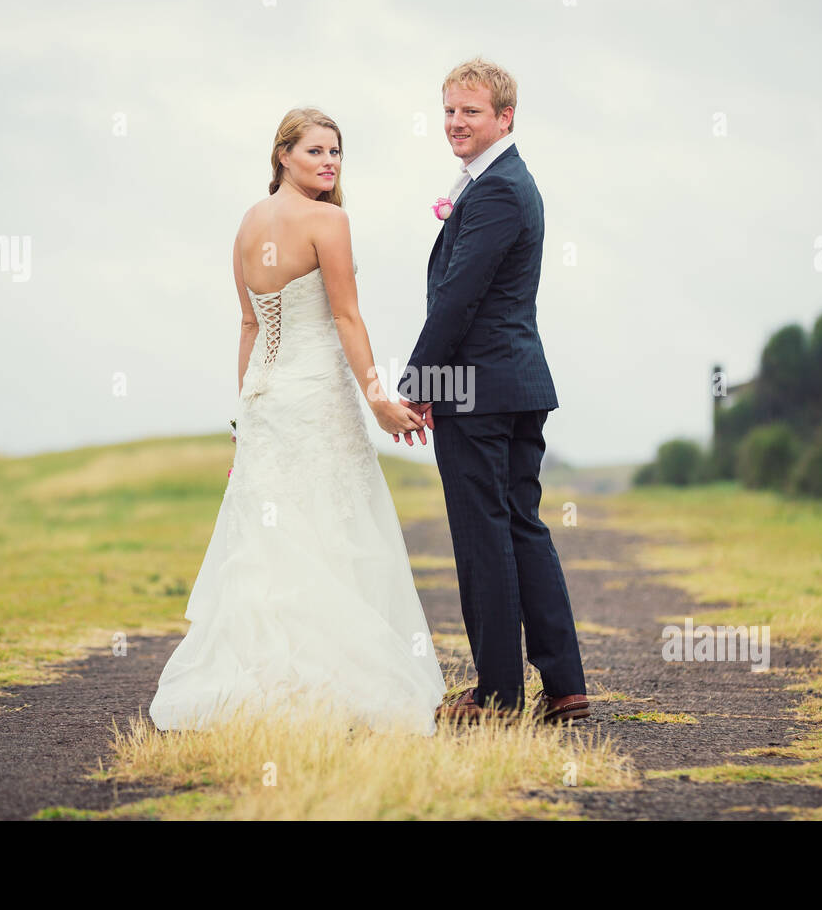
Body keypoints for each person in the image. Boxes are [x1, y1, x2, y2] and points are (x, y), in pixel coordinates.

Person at [148, 107, 447, 735]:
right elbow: (346, 319)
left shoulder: (249, 224)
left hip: (265, 397)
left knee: (271, 537)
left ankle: (260, 682)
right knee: (331, 529)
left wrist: (244, 418)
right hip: (314, 396)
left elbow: (251, 326)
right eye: (315, 151)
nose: (330, 162)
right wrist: (378, 400)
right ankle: (332, 683)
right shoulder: (329, 220)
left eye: (336, 152)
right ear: (282, 154)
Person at [398, 58, 590, 725]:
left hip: (481, 391)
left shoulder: (501, 188)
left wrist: (417, 381)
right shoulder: (499, 182)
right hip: (509, 384)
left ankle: (500, 696)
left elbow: (458, 298)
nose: (455, 122)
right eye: (449, 110)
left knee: (487, 537)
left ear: (505, 117)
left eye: (470, 111)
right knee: (520, 529)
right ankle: (564, 686)